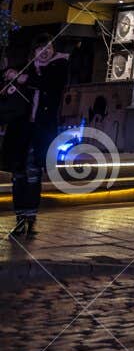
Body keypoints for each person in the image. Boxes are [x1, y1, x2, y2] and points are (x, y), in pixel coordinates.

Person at [2, 40, 72, 240]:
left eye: (49, 47)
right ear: (33, 51)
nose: (45, 51)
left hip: (41, 132)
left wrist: (22, 78)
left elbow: (46, 84)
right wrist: (12, 76)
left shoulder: (57, 69)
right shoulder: (23, 69)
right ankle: (20, 220)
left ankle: (31, 219)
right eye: (41, 48)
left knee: (33, 174)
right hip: (20, 131)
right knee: (19, 176)